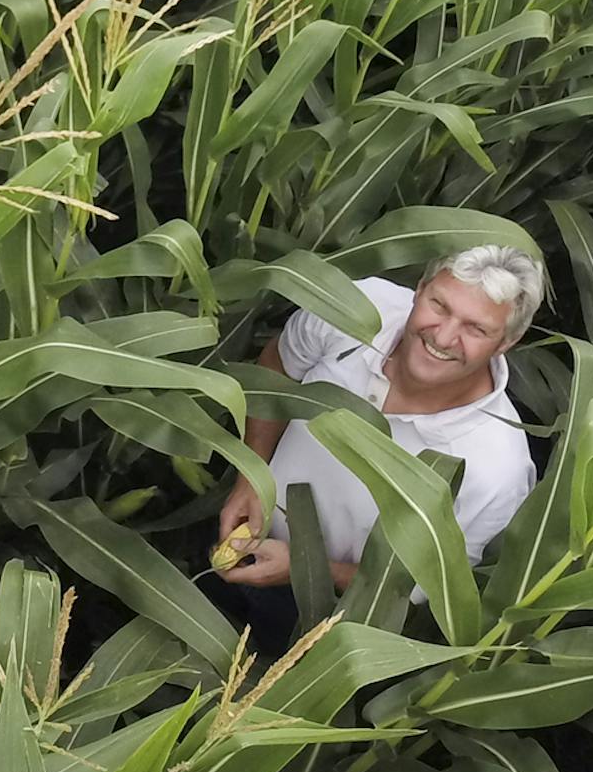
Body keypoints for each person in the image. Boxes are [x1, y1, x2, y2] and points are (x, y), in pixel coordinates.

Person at [211, 243, 544, 632]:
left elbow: (432, 587)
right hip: (237, 530)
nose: (445, 336)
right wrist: (250, 475)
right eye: (440, 305)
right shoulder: (351, 310)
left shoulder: (498, 468)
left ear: (505, 343)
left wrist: (305, 567)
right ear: (419, 290)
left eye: (476, 328)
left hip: (337, 615)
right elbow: (276, 371)